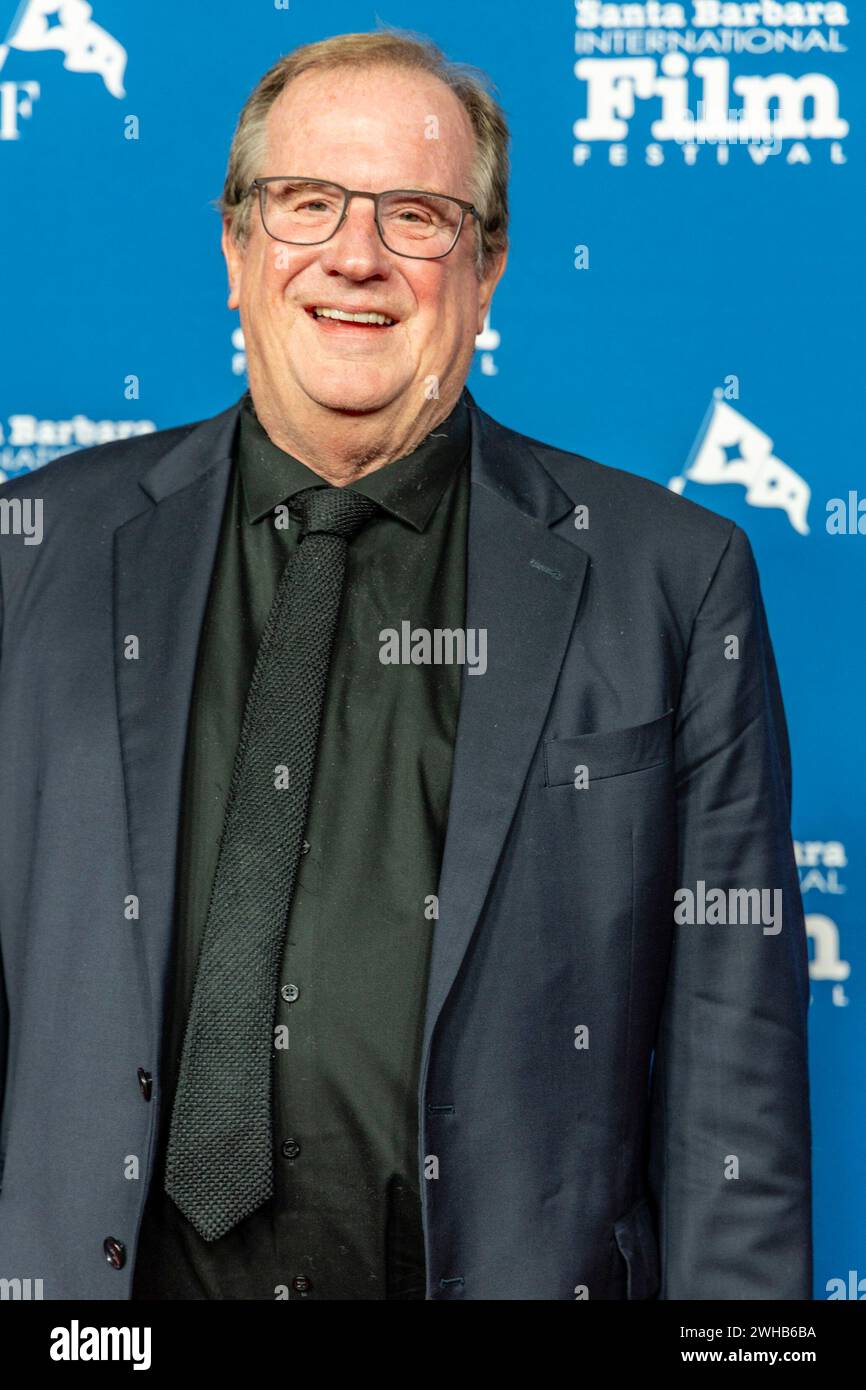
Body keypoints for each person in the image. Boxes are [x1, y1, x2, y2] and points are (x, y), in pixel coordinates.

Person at [0, 28, 811, 1301]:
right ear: (236, 250)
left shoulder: (667, 579)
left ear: (485, 273)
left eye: (418, 216)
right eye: (306, 202)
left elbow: (735, 1094)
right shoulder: (34, 555)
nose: (355, 256)